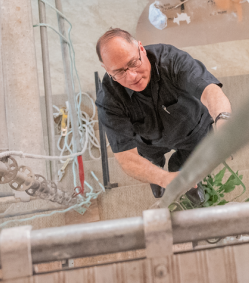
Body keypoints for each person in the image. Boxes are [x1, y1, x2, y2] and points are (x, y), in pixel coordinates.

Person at [95, 28, 232, 198]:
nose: (131, 76)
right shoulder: (109, 99)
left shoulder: (172, 60)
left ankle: (188, 184)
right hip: (148, 143)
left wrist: (224, 121)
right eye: (118, 72)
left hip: (193, 131)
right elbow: (125, 157)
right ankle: (158, 176)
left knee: (189, 163)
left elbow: (210, 91)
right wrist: (163, 178)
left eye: (133, 63)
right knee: (152, 164)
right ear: (107, 70)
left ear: (141, 49)